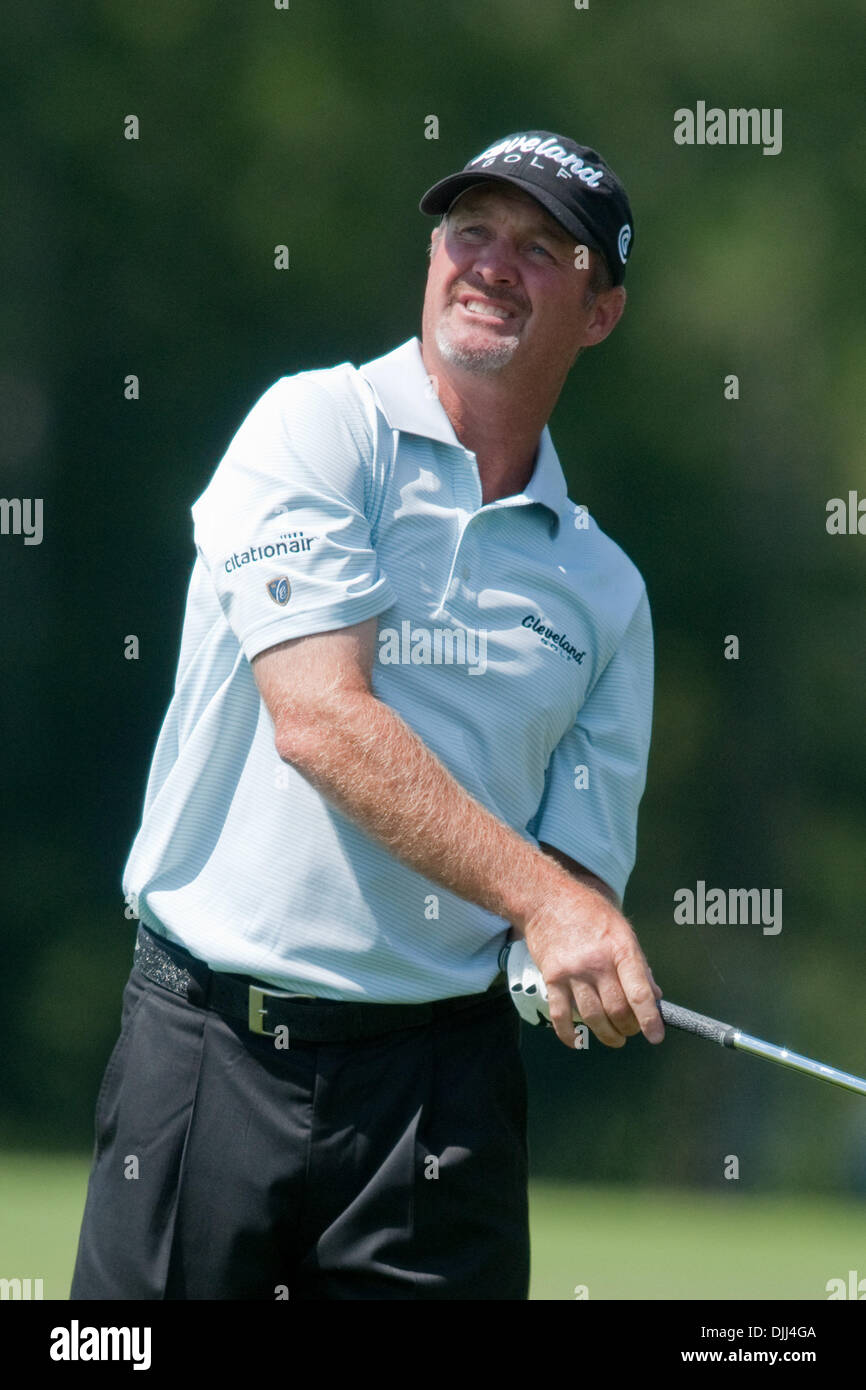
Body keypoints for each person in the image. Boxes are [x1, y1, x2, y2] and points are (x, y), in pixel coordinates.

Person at [70, 129, 663, 1302]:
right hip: (209, 1052)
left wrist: (569, 949)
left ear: (598, 314)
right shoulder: (314, 430)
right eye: (469, 233)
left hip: (439, 1097)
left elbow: (567, 888)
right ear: (431, 257)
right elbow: (320, 723)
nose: (491, 264)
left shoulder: (605, 592)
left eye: (541, 249)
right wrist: (544, 901)